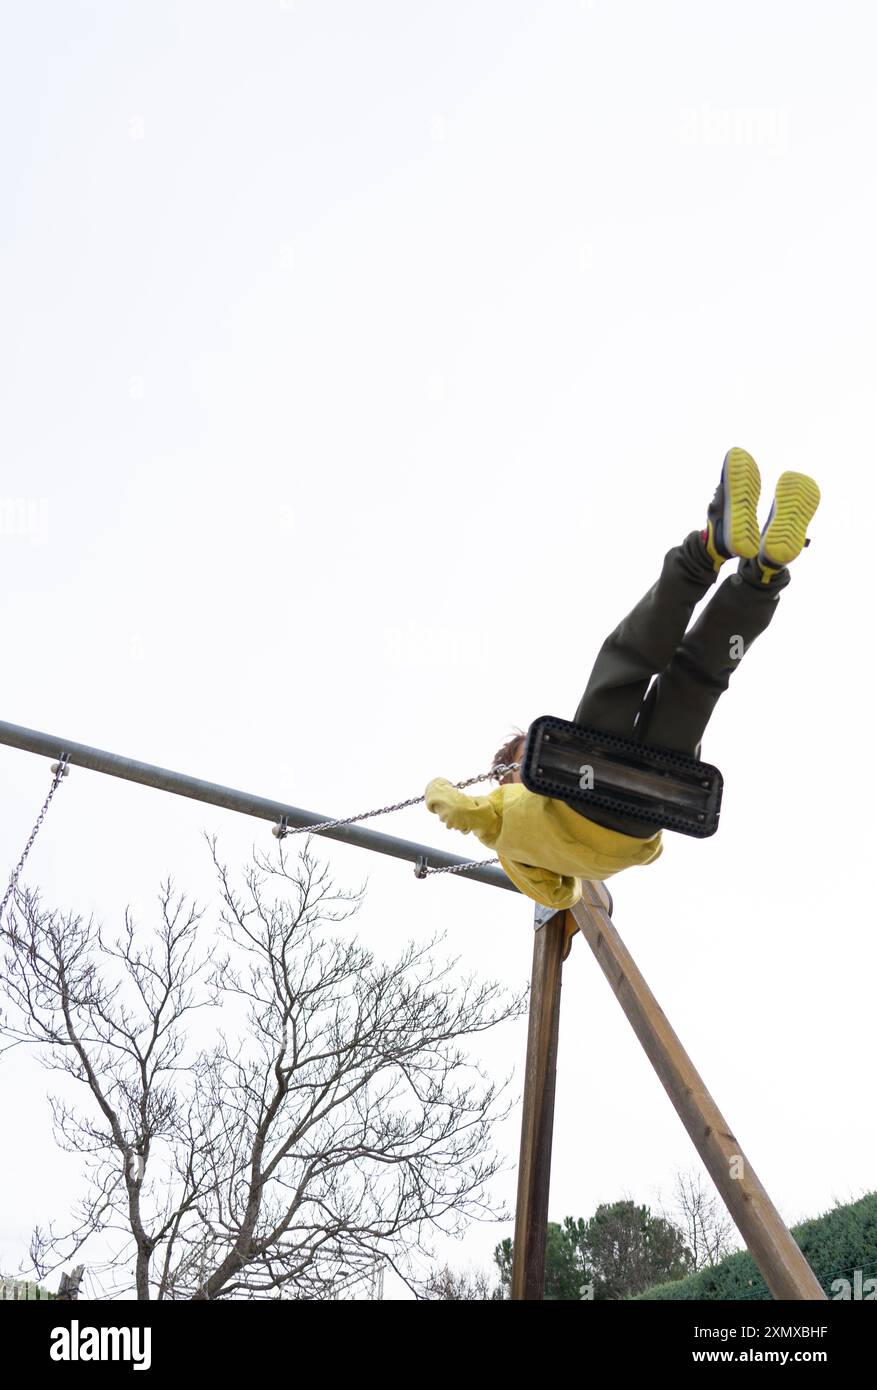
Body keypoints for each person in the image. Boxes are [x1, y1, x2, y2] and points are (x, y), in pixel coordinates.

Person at [425, 448, 820, 914]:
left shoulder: (518, 843)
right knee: (628, 661)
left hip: (648, 809)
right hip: (587, 788)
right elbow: (476, 815)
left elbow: (557, 893)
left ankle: (762, 579)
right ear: (510, 775)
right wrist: (445, 794)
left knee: (699, 681)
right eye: (523, 758)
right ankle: (711, 550)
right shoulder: (508, 804)